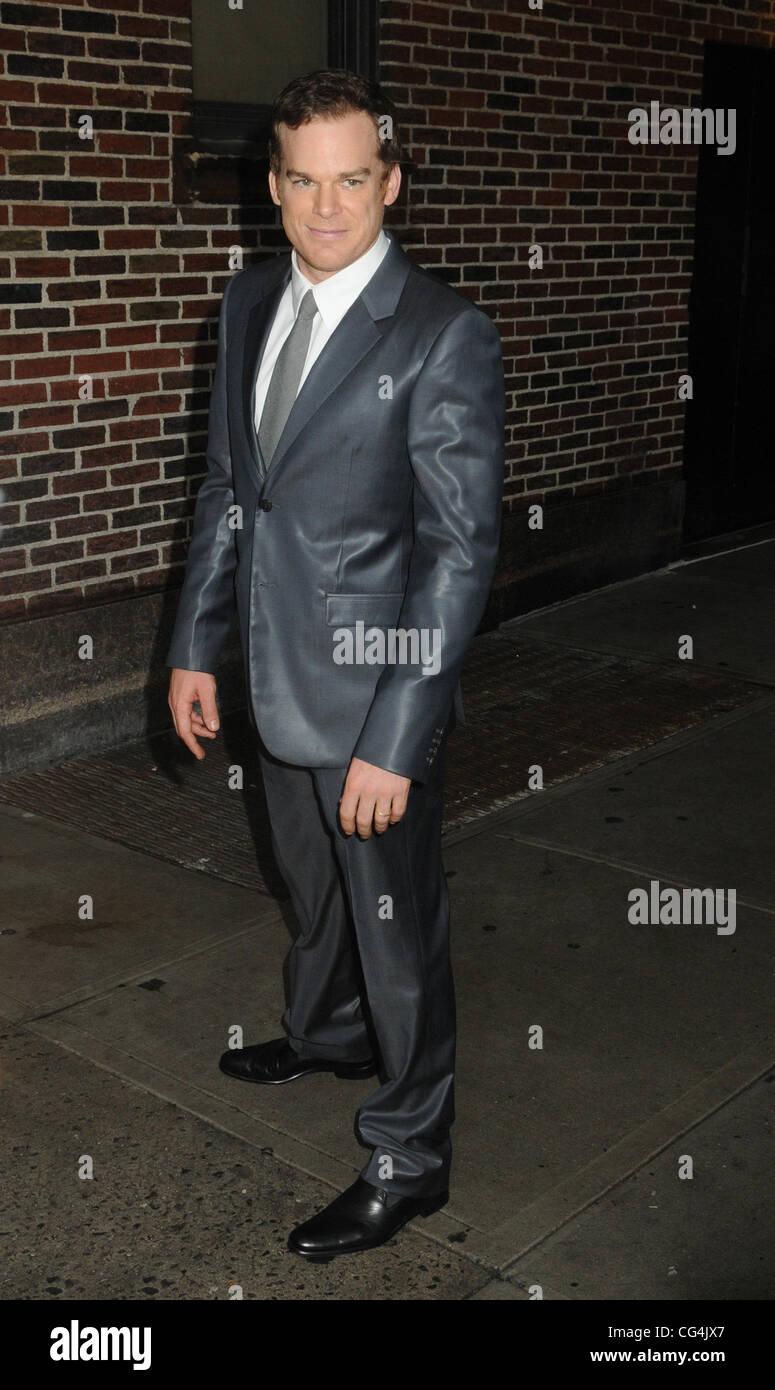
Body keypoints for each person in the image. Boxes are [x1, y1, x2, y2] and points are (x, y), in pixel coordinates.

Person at [166, 68, 504, 1261]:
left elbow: (460, 556)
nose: (325, 207)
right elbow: (229, 490)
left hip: (370, 690)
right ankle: (326, 1031)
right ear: (273, 188)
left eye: (350, 180)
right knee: (311, 892)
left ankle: (411, 1153)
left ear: (390, 182)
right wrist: (196, 647)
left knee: (397, 928)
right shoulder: (250, 302)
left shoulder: (439, 333)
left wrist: (393, 734)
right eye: (302, 182)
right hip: (267, 677)